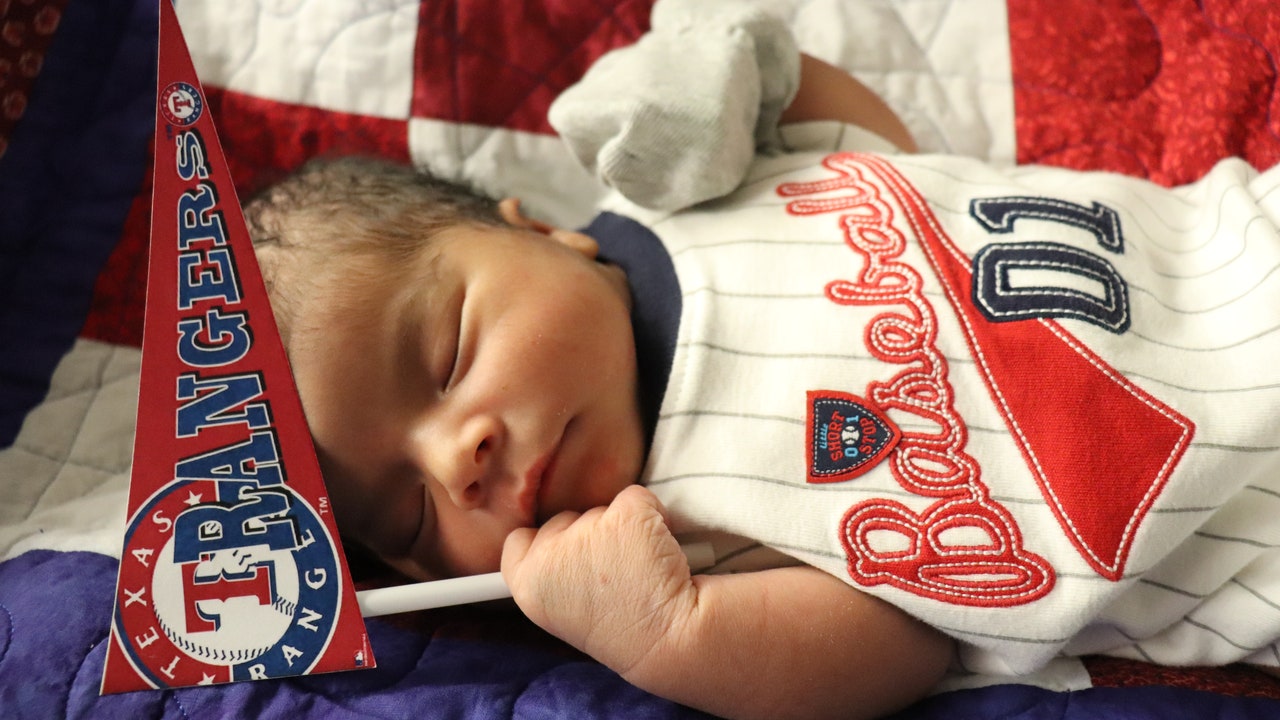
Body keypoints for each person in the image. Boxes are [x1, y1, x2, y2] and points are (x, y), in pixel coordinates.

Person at [244, 4, 1280, 719]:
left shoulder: (678, 187)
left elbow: (866, 141)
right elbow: (893, 648)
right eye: (412, 519)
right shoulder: (674, 532)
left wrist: (711, 69)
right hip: (1245, 522)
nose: (457, 456)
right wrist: (667, 631)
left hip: (1238, 237)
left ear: (538, 229)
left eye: (447, 353)